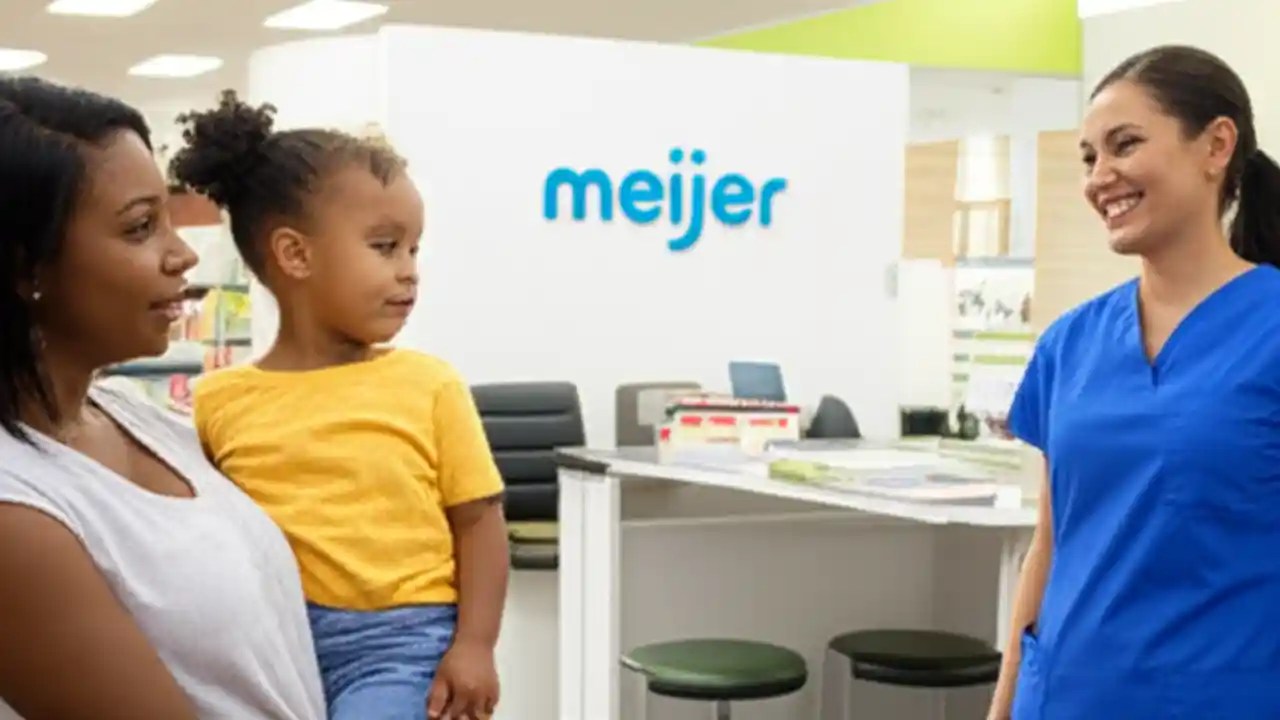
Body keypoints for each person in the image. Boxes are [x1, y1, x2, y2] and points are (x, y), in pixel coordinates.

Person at [170, 91, 510, 720]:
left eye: (414, 249)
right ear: (295, 254)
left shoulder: (428, 384)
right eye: (385, 247)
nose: (410, 271)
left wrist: (475, 645)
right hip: (270, 640)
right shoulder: (220, 399)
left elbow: (480, 523)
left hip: (399, 645)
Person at [0, 77, 326, 719]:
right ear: (24, 267)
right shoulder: (17, 514)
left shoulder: (136, 416)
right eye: (141, 228)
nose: (181, 254)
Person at [988, 45, 1280, 719]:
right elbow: (1051, 542)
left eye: (1125, 145)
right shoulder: (1071, 342)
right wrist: (1003, 704)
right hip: (1063, 697)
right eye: (1089, 157)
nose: (1101, 177)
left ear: (1216, 146)